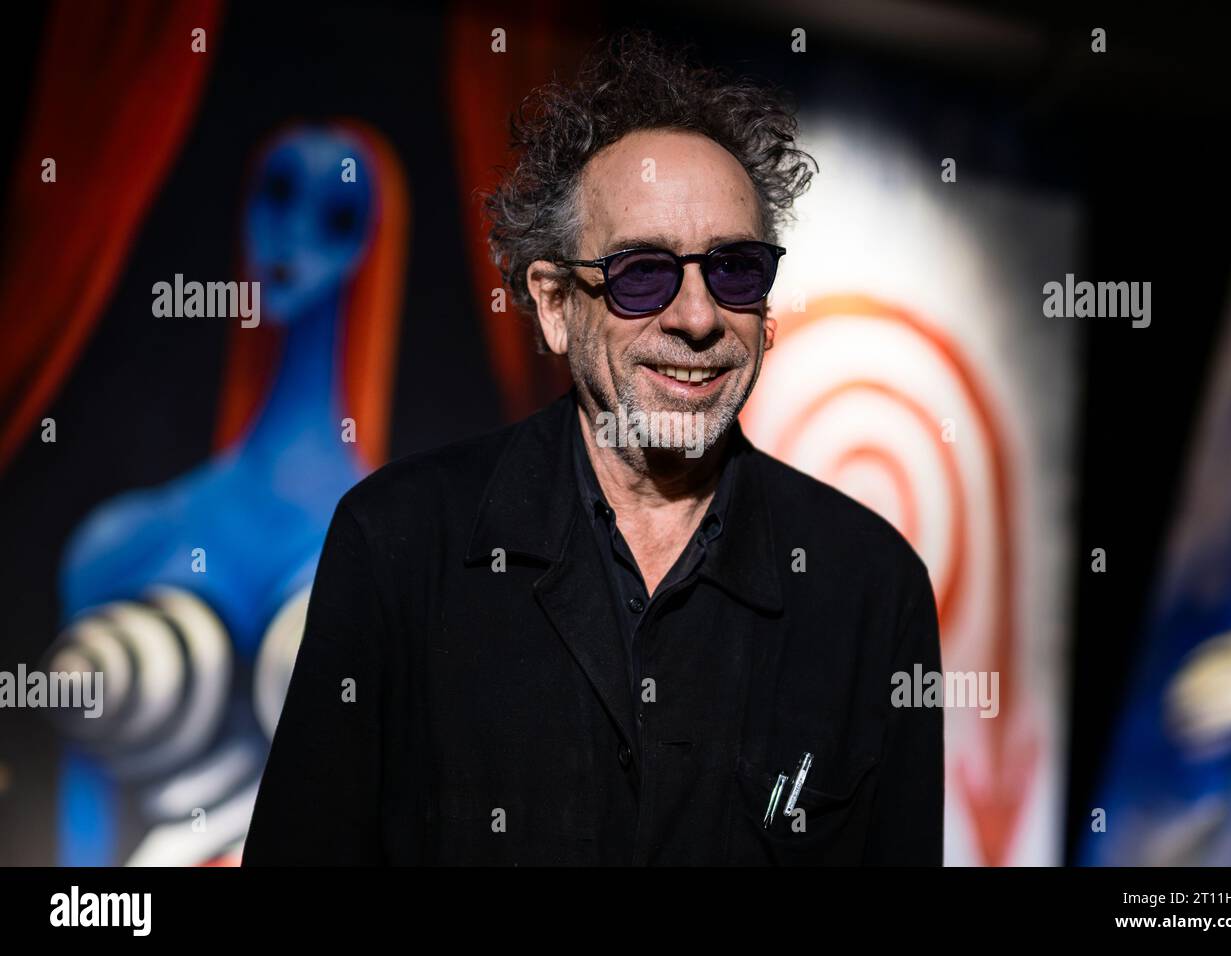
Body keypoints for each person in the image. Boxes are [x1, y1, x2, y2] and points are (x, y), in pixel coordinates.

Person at [242, 28, 942, 866]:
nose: (695, 316)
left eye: (736, 271)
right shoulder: (399, 543)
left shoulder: (868, 586)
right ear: (553, 304)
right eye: (643, 271)